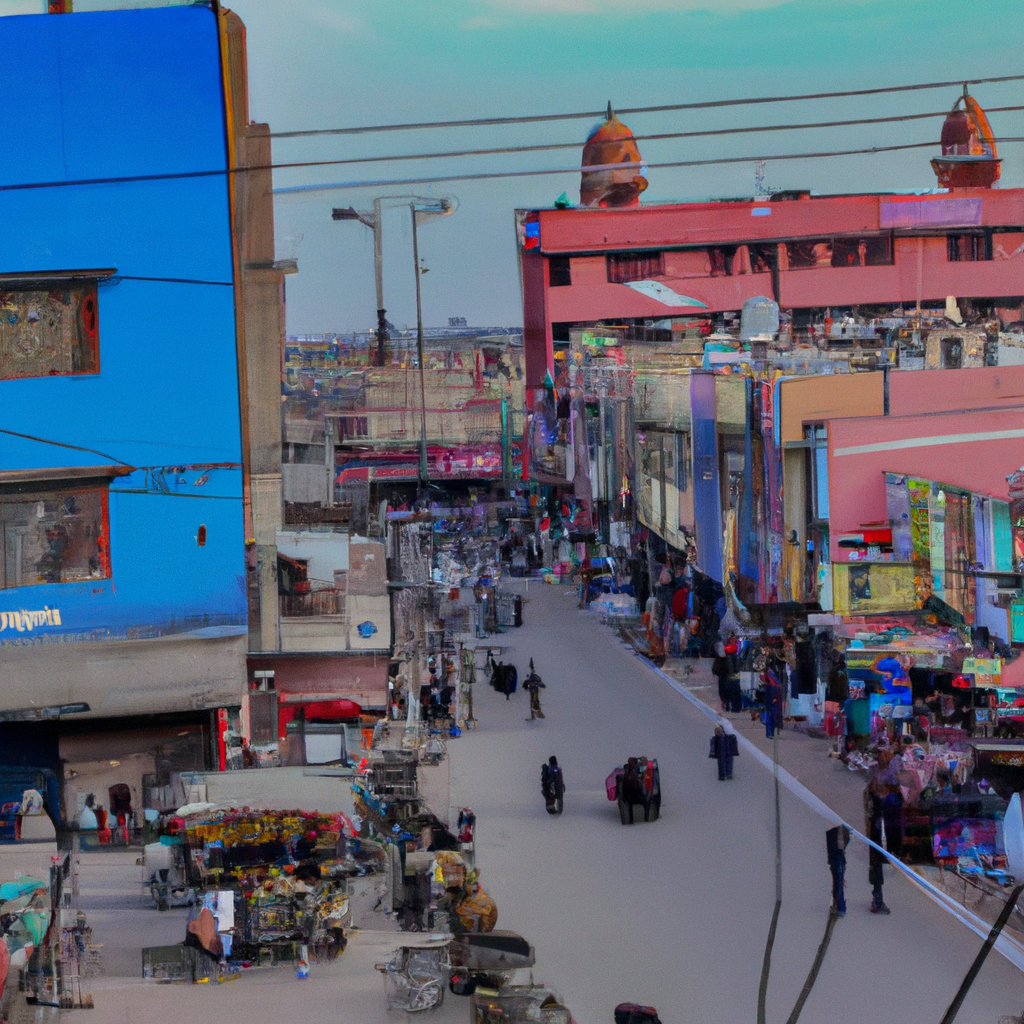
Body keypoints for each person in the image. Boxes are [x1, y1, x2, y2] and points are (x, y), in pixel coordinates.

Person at [865, 749, 903, 914]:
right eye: (881, 754)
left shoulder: (891, 782)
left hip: (879, 824)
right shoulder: (873, 775)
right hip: (874, 824)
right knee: (876, 859)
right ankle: (877, 898)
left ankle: (877, 897)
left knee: (877, 858)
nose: (883, 757)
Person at [825, 824, 850, 917]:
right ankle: (839, 904)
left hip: (836, 851)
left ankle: (839, 905)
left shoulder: (834, 826)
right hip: (838, 851)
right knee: (838, 877)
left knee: (837, 877)